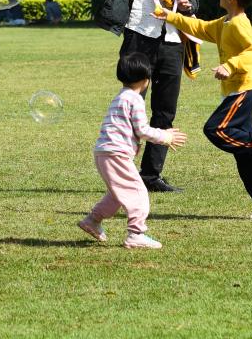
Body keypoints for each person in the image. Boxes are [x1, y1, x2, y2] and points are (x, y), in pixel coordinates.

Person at [65, 0, 198, 193]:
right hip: (139, 35)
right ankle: (121, 169)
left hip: (172, 40)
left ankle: (151, 176)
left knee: (165, 110)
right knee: (130, 104)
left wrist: (188, 4)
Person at [153, 0, 252, 222]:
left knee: (215, 129)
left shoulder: (239, 23)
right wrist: (169, 15)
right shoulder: (225, 22)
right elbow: (201, 27)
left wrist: (230, 65)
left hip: (243, 91)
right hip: (234, 92)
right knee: (242, 154)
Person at [78, 53, 187, 249]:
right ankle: (136, 234)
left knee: (117, 193)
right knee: (138, 191)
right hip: (116, 154)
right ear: (146, 80)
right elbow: (142, 130)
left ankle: (92, 221)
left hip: (104, 153)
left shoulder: (120, 97)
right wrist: (165, 136)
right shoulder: (135, 100)